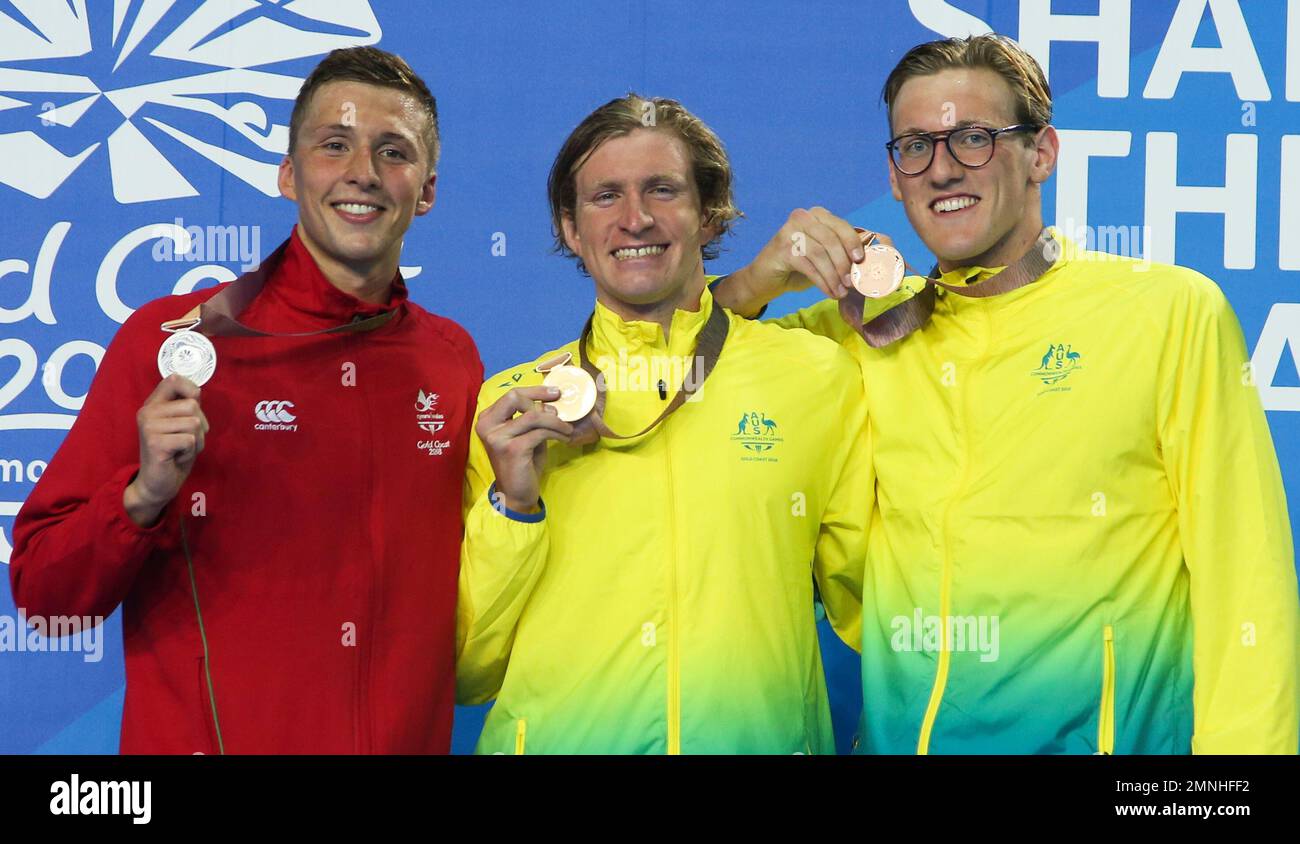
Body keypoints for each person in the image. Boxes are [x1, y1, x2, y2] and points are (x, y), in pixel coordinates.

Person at [714, 34, 1300, 754]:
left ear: (1042, 154)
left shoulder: (1169, 312)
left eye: (974, 138)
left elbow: (1248, 584)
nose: (941, 168)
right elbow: (675, 385)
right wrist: (754, 284)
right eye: (916, 146)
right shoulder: (860, 330)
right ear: (893, 178)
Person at [9, 47, 482, 754]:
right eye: (334, 145)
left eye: (394, 151)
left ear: (429, 189)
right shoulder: (168, 343)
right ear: (289, 175)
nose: (363, 173)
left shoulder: (452, 362)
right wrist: (140, 497)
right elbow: (45, 599)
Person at [455, 94, 871, 754]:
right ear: (570, 228)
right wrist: (514, 505)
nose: (635, 218)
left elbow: (876, 608)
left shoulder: (815, 377)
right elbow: (467, 673)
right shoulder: (507, 411)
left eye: (662, 190)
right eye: (605, 197)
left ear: (708, 214)